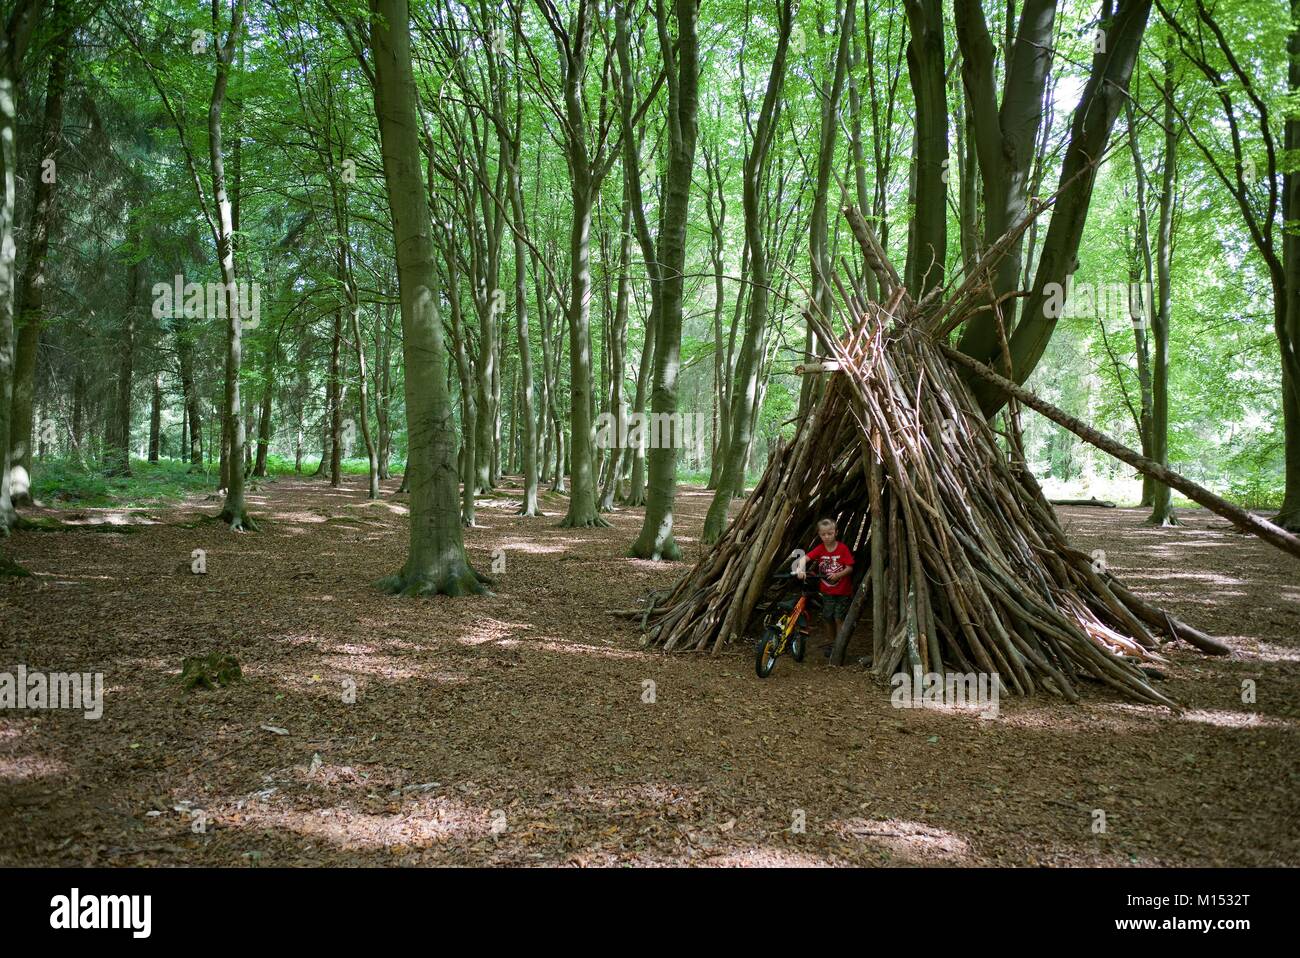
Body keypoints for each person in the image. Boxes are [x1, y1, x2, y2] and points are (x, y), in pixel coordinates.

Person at [797, 518, 855, 657]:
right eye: (823, 534)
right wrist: (800, 569)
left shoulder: (842, 548)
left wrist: (838, 574)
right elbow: (804, 558)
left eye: (830, 533)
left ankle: (840, 645)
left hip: (842, 592)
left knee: (838, 617)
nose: (827, 537)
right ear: (819, 535)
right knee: (828, 617)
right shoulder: (820, 549)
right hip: (827, 592)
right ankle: (832, 642)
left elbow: (850, 568)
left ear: (836, 533)